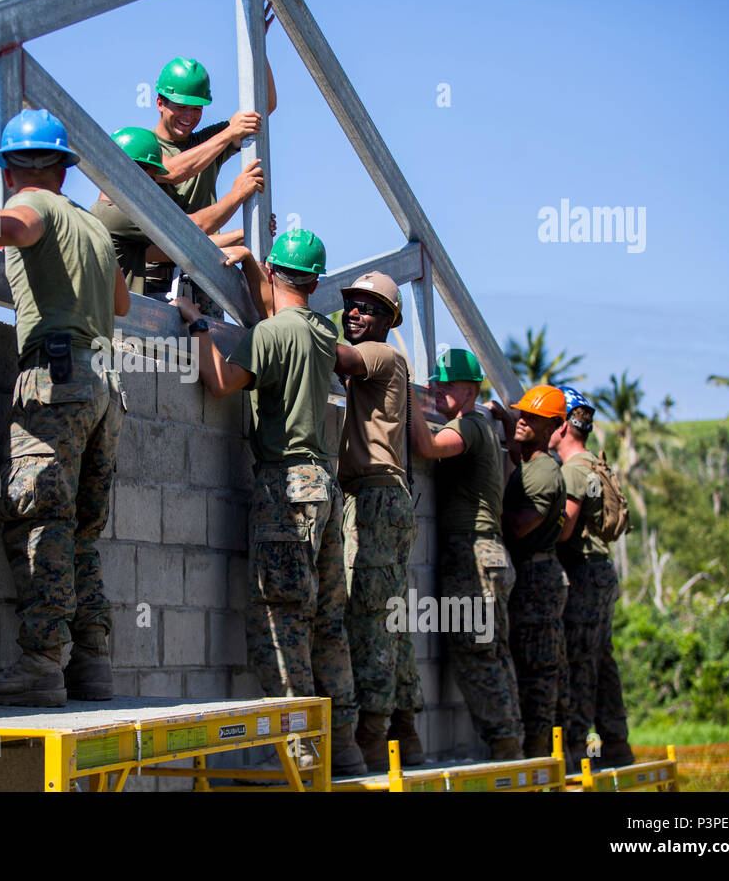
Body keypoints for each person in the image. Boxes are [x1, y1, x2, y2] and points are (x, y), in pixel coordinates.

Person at [173, 229, 364, 777]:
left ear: (278, 275)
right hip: (322, 487)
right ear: (317, 281)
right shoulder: (320, 331)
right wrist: (256, 265)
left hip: (284, 488)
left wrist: (198, 322)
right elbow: (277, 312)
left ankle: (302, 756)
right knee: (326, 620)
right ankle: (343, 746)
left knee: (281, 625)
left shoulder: (271, 333)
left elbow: (220, 381)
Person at [0, 110, 131, 707]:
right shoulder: (92, 227)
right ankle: (91, 662)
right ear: (63, 165)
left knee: (40, 517)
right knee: (81, 532)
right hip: (104, 384)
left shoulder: (33, 205)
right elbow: (119, 302)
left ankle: (40, 664)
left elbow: (11, 227)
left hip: (57, 377)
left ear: (12, 169)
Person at [331, 272, 425, 770]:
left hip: (375, 499)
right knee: (387, 621)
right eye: (350, 305)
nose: (354, 314)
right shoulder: (388, 362)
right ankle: (403, 733)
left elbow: (335, 356)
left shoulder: (381, 355)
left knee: (367, 621)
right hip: (382, 497)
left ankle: (370, 738)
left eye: (367, 308)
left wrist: (292, 315)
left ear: (389, 320)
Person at [410, 349, 524, 759]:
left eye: (449, 383)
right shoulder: (479, 423)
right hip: (487, 553)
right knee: (492, 649)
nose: (439, 389)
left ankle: (505, 742)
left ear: (471, 389)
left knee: (476, 650)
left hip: (474, 553)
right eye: (435, 382)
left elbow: (426, 446)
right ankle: (512, 739)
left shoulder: (470, 427)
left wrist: (404, 394)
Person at [144, 31, 277, 314]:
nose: (189, 116)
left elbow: (265, 106)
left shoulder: (207, 141)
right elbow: (171, 171)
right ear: (160, 103)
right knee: (155, 356)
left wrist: (257, 45)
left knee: (209, 353)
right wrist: (228, 137)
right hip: (154, 281)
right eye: (181, 107)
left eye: (197, 109)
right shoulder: (142, 148)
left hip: (205, 277)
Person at [551, 386, 635, 768]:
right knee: (601, 660)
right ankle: (615, 743)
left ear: (565, 425)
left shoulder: (573, 469)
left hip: (583, 574)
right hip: (601, 572)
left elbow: (564, 530)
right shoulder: (594, 463)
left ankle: (576, 750)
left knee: (580, 662)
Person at [89, 126, 264, 302]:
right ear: (121, 167)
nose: (150, 183)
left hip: (119, 322)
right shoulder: (117, 215)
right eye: (146, 174)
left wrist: (243, 234)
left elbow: (173, 249)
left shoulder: (119, 220)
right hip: (116, 324)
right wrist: (238, 193)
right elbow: (192, 227)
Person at [488, 385, 568, 758]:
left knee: (536, 673)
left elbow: (519, 525)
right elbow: (522, 461)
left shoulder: (547, 472)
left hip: (538, 581)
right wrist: (507, 422)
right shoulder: (534, 462)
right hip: (532, 577)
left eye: (531, 418)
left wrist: (482, 506)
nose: (523, 420)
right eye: (521, 414)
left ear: (552, 426)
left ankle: (540, 761)